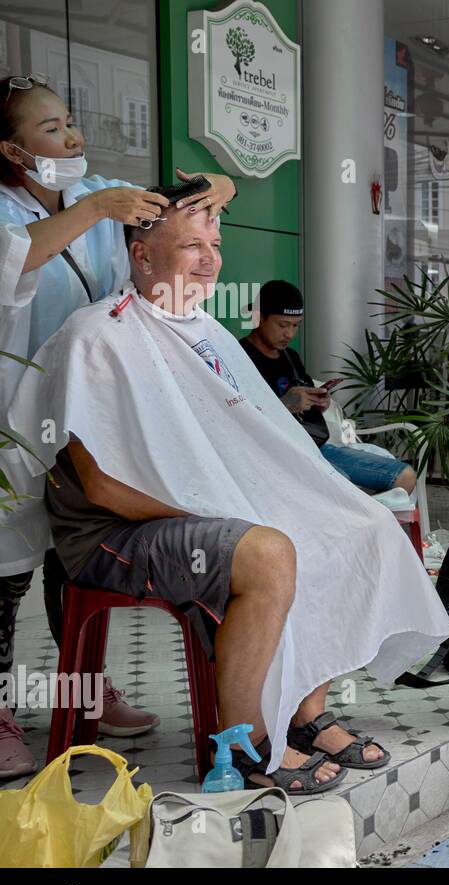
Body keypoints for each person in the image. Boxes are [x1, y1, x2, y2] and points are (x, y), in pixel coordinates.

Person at [0, 194, 449, 787]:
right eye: (191, 245)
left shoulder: (207, 332)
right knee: (268, 549)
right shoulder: (95, 336)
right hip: (114, 533)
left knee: (354, 521)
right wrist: (219, 508)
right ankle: (245, 742)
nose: (210, 260)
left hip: (188, 514)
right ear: (140, 253)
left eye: (215, 246)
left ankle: (304, 715)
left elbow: (255, 441)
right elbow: (102, 485)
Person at [0, 75, 236, 778]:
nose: (70, 136)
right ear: (13, 149)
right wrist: (96, 207)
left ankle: (85, 691)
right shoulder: (39, 209)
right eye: (51, 129)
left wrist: (212, 188)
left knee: (71, 563)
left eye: (70, 122)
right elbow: (18, 256)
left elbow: (192, 192)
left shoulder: (97, 193)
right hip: (12, 415)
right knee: (6, 571)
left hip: (87, 409)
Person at [240, 279, 417, 496]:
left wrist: (319, 402)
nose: (290, 334)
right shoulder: (239, 357)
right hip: (276, 453)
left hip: (316, 446)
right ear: (259, 318)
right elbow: (237, 418)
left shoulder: (290, 356)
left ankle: (366, 522)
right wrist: (284, 404)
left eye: (296, 325)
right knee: (341, 491)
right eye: (282, 325)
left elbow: (305, 405)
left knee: (405, 477)